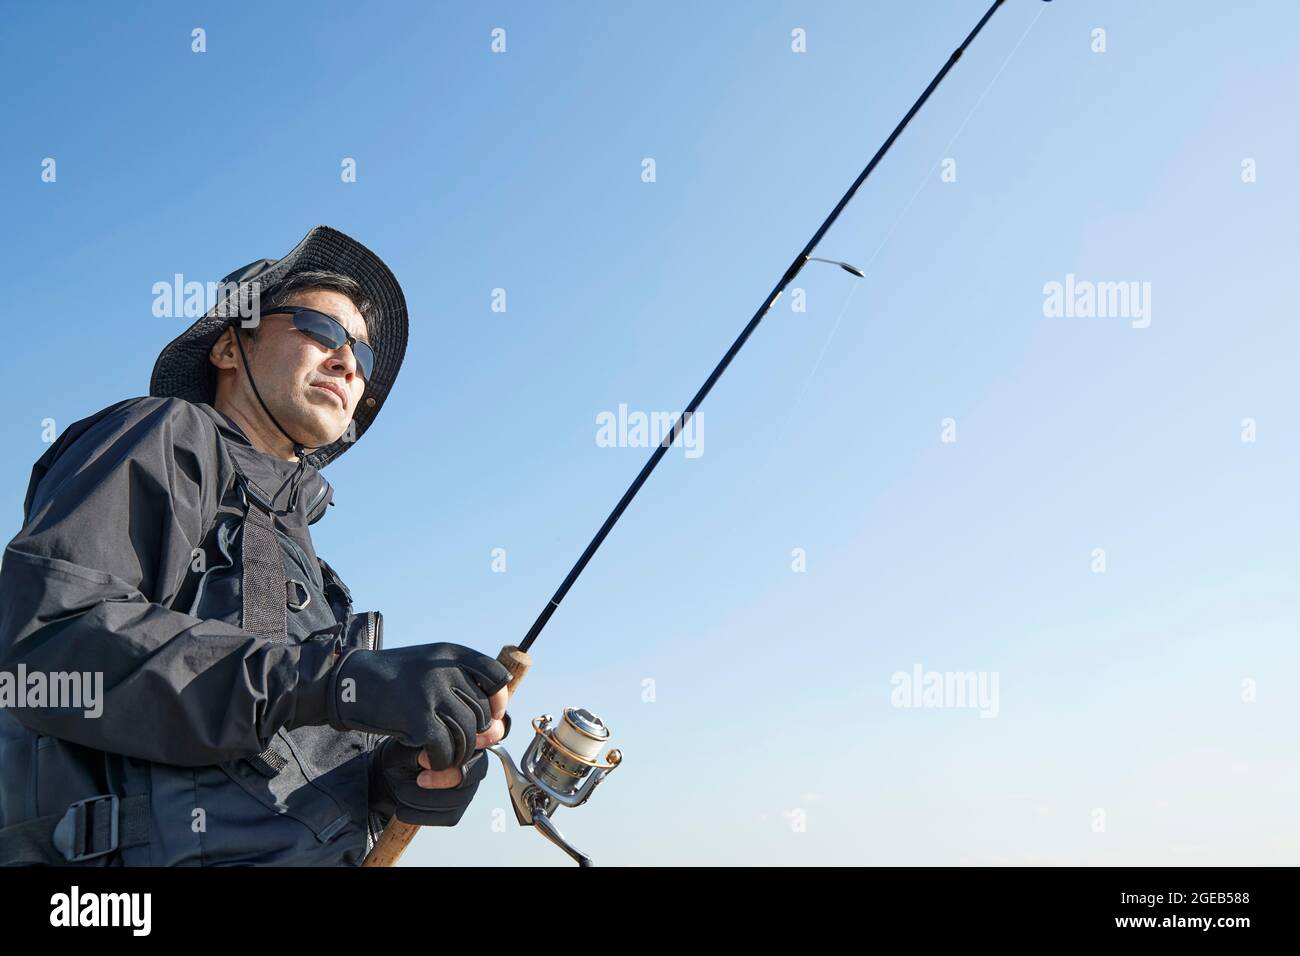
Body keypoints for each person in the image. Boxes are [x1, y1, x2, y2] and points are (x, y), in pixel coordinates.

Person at [0, 225, 511, 866]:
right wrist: (335, 681)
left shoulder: (314, 574)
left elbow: (274, 750)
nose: (349, 362)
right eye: (320, 329)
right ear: (228, 346)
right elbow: (48, 647)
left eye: (363, 356)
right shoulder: (164, 433)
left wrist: (385, 780)